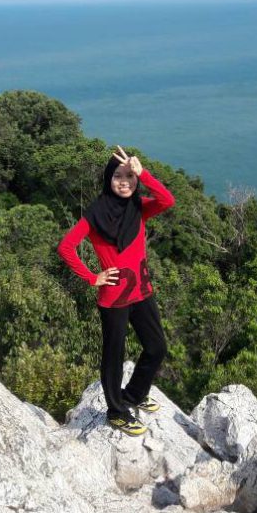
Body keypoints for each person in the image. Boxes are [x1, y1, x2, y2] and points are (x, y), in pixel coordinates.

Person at [57, 145, 175, 436]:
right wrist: (91, 277)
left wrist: (143, 173)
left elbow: (167, 200)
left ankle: (133, 395)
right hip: (114, 298)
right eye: (118, 176)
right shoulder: (95, 215)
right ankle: (116, 411)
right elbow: (66, 247)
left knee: (156, 347)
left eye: (129, 176)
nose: (124, 182)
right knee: (114, 355)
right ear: (108, 179)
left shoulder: (139, 208)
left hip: (142, 291)